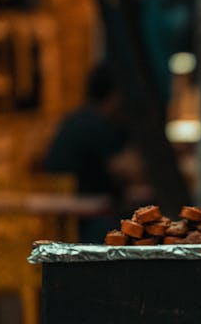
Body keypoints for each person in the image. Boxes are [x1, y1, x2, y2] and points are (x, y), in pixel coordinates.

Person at [43, 63, 141, 243]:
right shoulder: (94, 125)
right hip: (84, 220)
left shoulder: (78, 118)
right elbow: (130, 171)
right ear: (115, 95)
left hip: (69, 217)